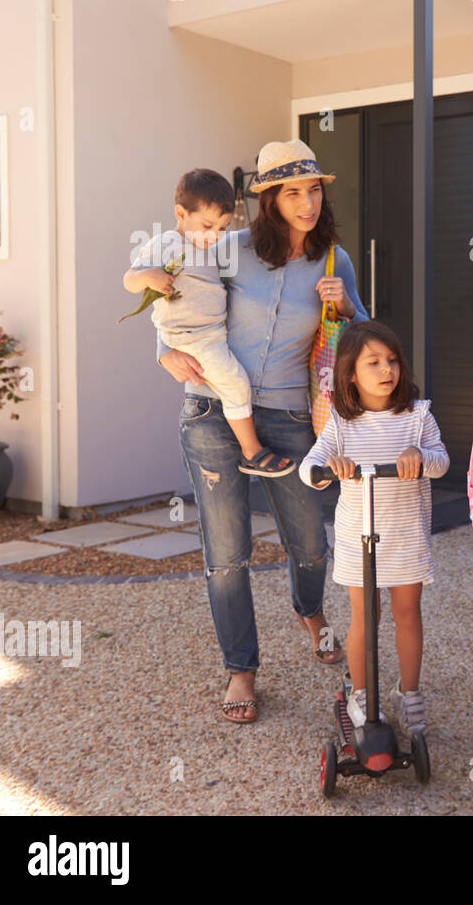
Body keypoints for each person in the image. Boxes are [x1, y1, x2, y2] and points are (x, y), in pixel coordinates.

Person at [160, 139, 370, 723]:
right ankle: (242, 670)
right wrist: (162, 351)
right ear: (268, 199)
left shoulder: (335, 259)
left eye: (314, 189)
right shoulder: (226, 250)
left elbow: (371, 341)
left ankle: (311, 612)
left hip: (291, 417)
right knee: (227, 553)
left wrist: (349, 309)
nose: (307, 202)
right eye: (292, 192)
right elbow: (173, 298)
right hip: (211, 411)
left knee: (309, 543)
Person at [299, 321, 448, 744]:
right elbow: (308, 468)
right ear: (350, 373)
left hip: (404, 535)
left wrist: (418, 456)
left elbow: (442, 461)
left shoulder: (417, 417)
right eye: (374, 362)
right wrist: (330, 470)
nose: (387, 370)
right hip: (357, 535)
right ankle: (361, 696)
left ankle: (409, 693)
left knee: (407, 613)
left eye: (393, 360)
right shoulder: (342, 423)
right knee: (366, 616)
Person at [124, 169, 295, 477]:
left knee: (230, 382)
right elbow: (129, 279)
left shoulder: (210, 245)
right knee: (235, 383)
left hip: (212, 332)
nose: (215, 236)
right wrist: (148, 277)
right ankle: (252, 450)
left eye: (222, 227)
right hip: (192, 337)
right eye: (207, 226)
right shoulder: (164, 245)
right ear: (180, 213)